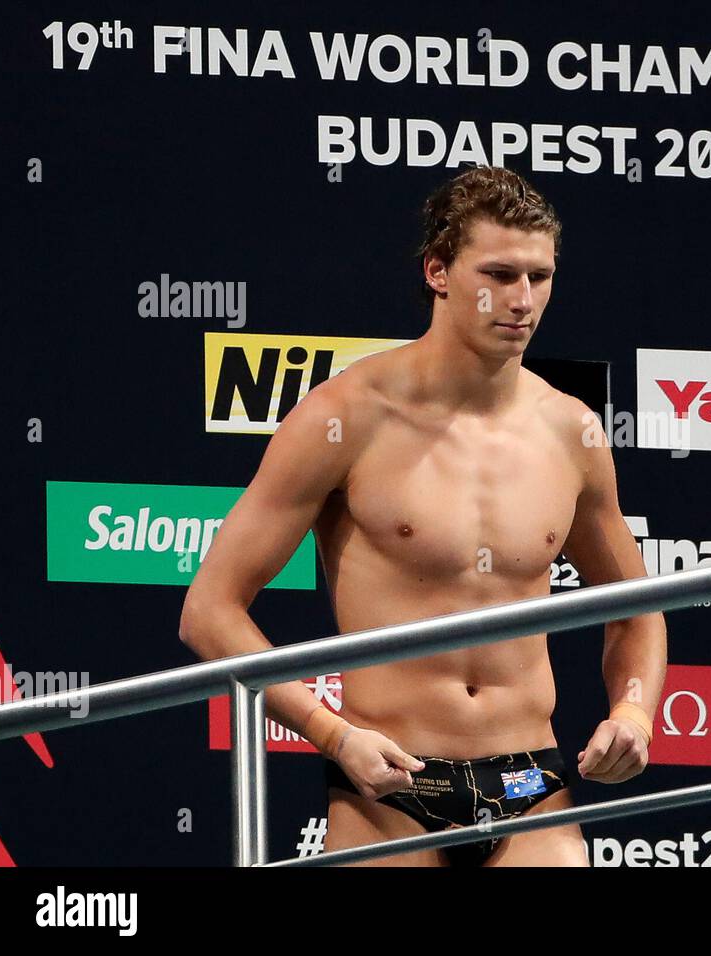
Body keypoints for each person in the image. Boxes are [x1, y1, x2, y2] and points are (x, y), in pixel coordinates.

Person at [179, 165, 667, 866]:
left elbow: (638, 612)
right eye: (497, 274)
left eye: (540, 276)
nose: (522, 301)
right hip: (388, 786)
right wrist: (331, 734)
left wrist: (633, 712)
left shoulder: (572, 432)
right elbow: (210, 610)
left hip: (533, 780)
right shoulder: (345, 418)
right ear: (438, 272)